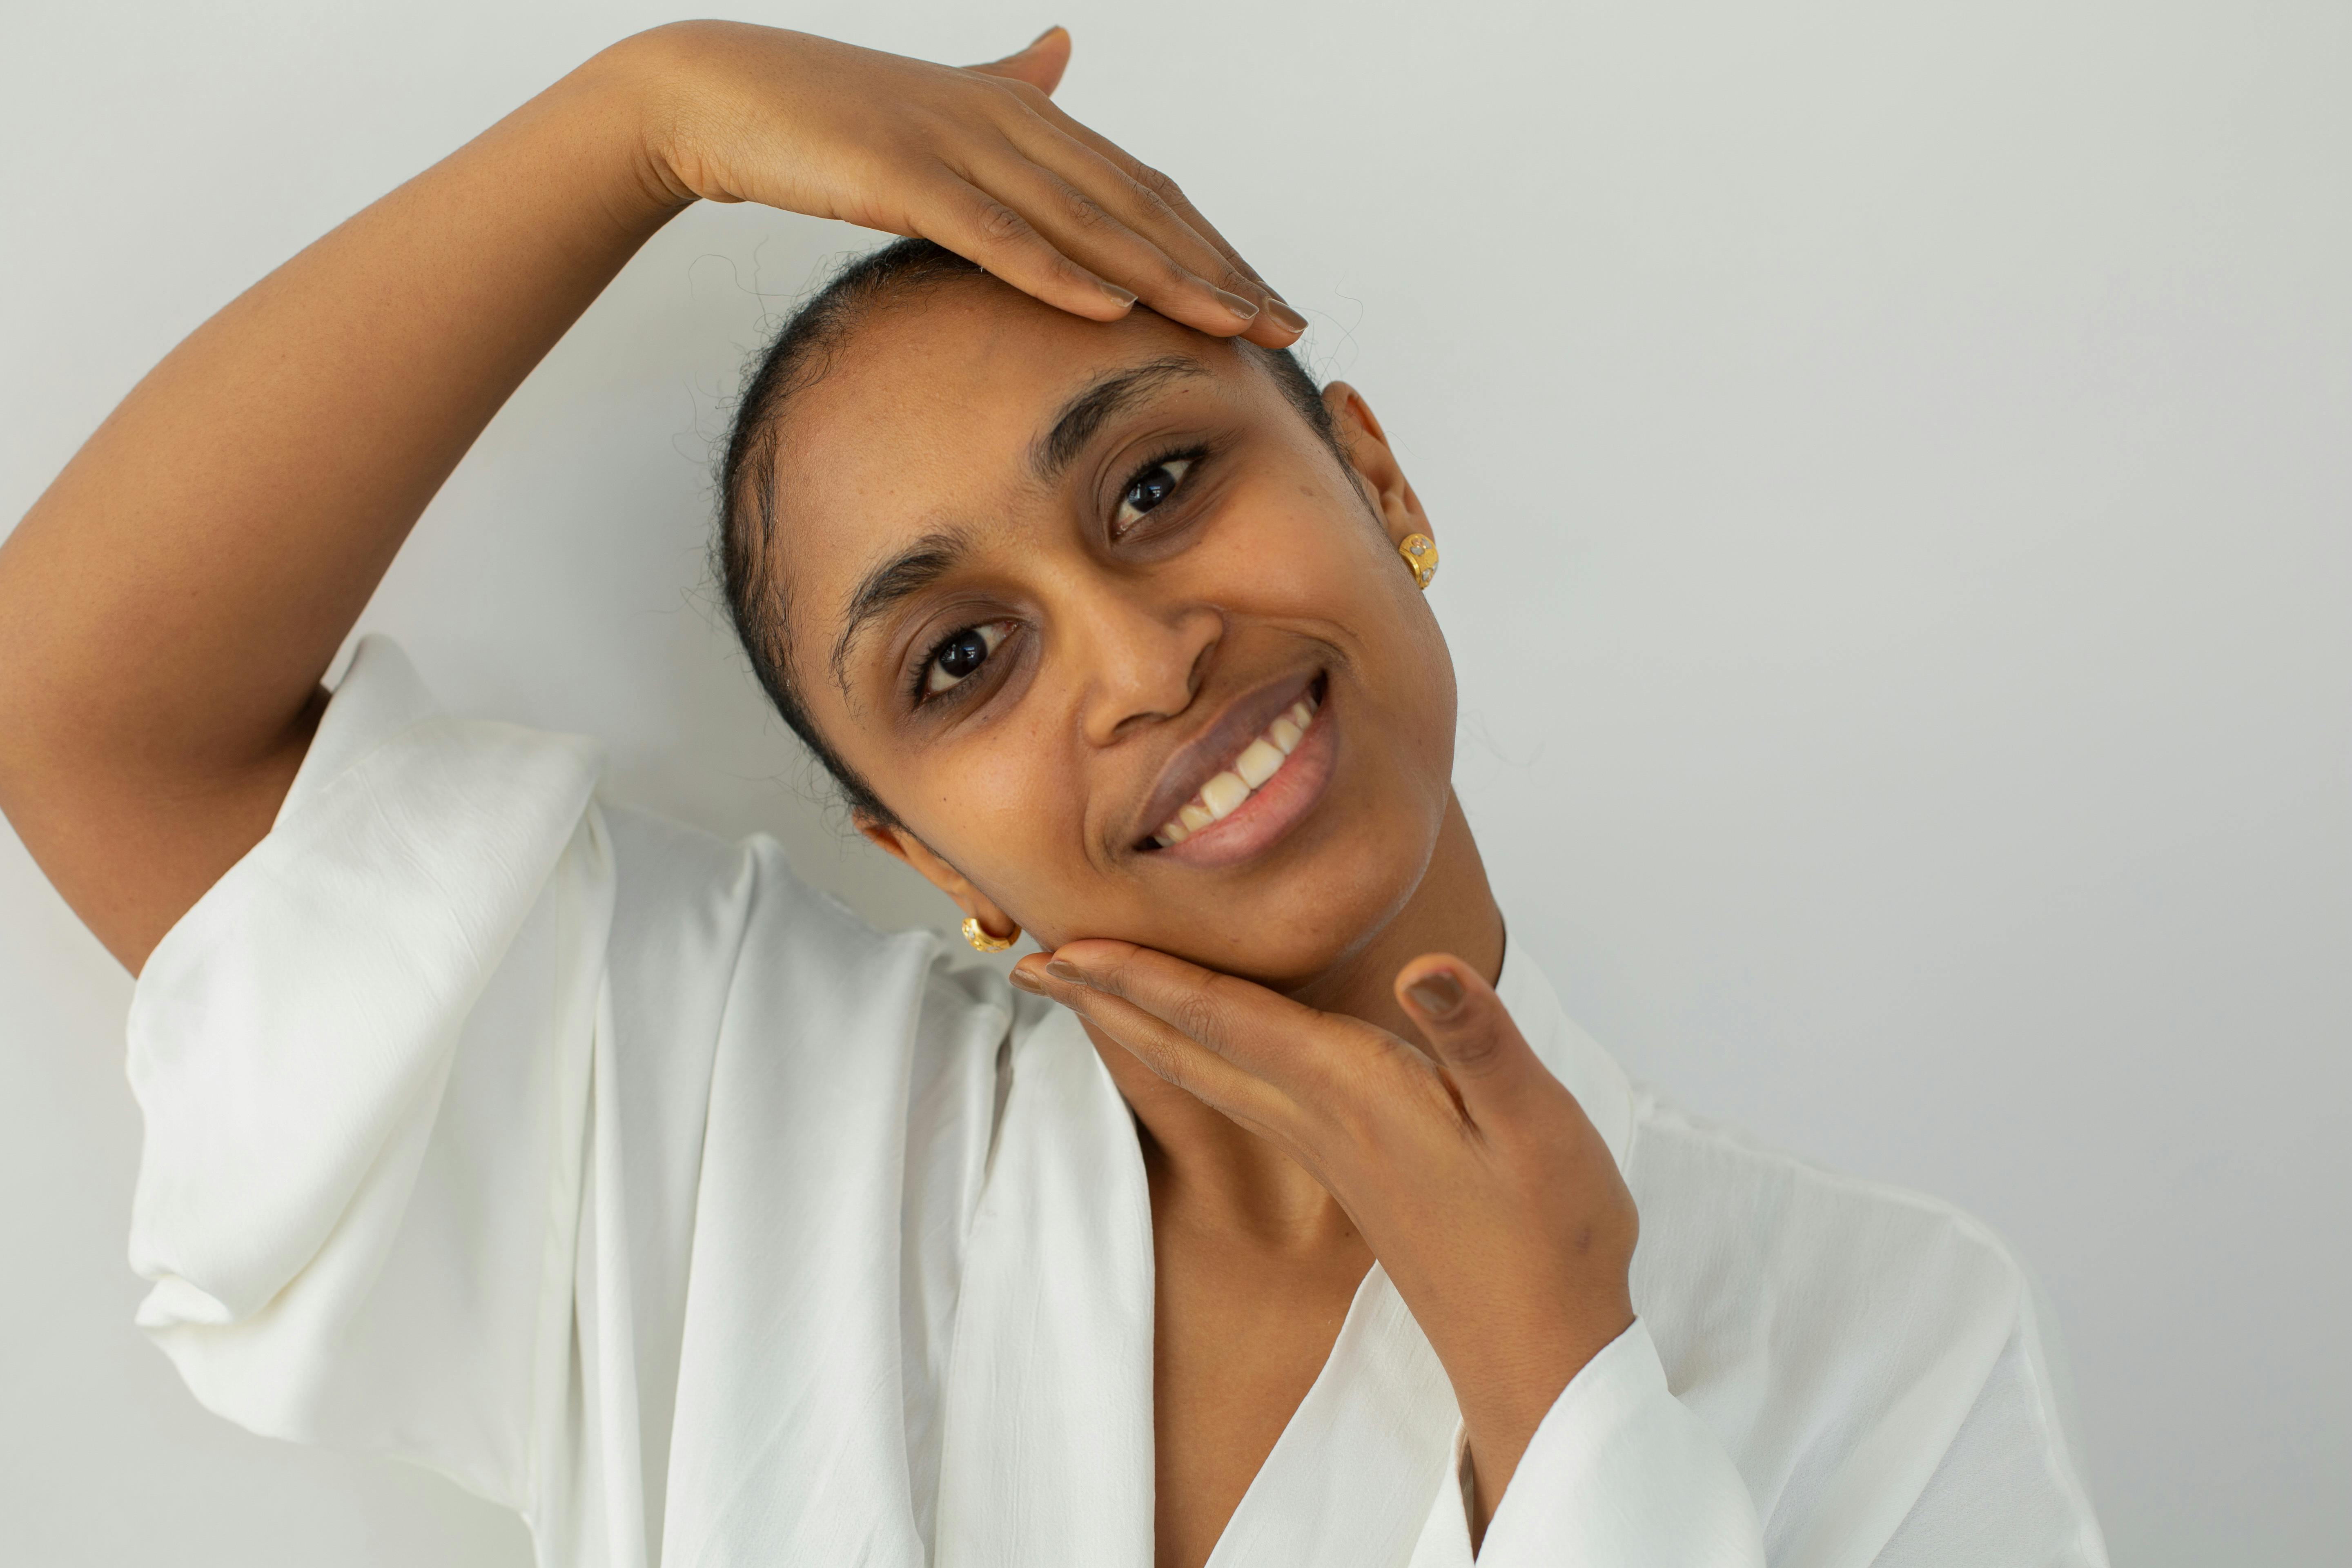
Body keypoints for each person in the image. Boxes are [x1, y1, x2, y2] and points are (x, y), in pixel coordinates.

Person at [0, 21, 2108, 1568]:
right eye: (960, 660)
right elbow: (87, 713)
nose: (1140, 660)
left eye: (1161, 482)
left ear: (1378, 480)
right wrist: (637, 118)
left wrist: (1557, 1386)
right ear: (923, 854)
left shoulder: (1891, 1337)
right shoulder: (718, 1120)